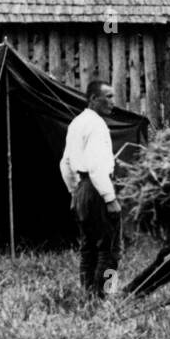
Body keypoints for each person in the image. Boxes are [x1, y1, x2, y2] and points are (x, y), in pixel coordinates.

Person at [61, 80, 121, 297]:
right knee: (111, 249)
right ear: (93, 99)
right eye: (108, 96)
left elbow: (65, 163)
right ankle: (105, 297)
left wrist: (73, 193)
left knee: (88, 247)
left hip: (82, 189)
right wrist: (110, 198)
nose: (112, 102)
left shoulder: (76, 123)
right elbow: (96, 167)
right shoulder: (97, 125)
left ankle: (87, 296)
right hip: (97, 188)